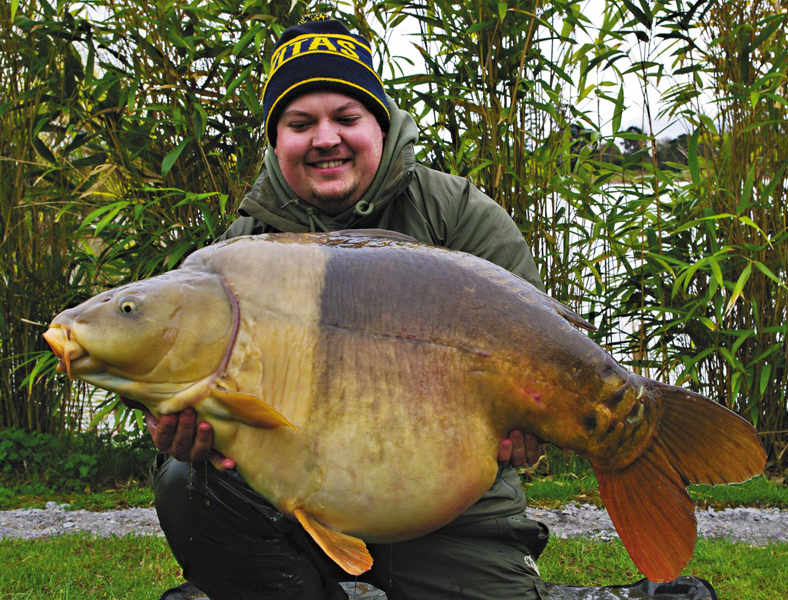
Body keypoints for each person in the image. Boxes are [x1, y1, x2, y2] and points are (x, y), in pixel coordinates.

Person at [149, 16, 717, 600]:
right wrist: (180, 427)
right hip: (290, 491)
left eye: (346, 118)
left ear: (380, 123)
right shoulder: (240, 253)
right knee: (183, 482)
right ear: (276, 139)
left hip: (443, 499)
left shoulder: (457, 214)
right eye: (300, 124)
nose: (325, 139)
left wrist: (531, 424)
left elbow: (541, 348)